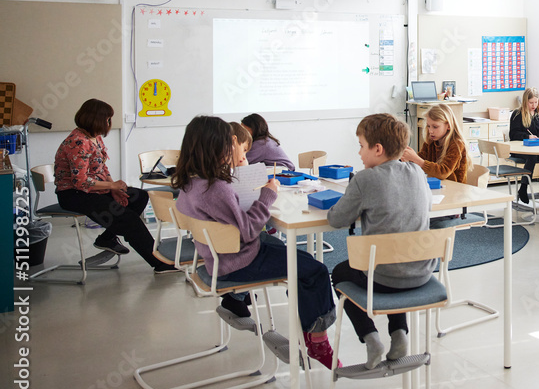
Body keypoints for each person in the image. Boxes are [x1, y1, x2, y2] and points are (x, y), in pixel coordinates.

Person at [174, 116, 338, 368]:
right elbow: (249, 230)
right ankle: (317, 340)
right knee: (315, 270)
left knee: (295, 258)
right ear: (216, 147)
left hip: (218, 256)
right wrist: (267, 196)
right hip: (238, 260)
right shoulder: (216, 188)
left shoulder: (191, 182)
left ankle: (242, 302)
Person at [328, 114, 435, 370]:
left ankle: (370, 336)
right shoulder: (418, 172)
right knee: (395, 257)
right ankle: (399, 333)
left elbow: (336, 219)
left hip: (383, 279)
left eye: (362, 146)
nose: (359, 152)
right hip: (421, 273)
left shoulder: (364, 179)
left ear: (377, 149)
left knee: (341, 272)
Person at [53, 99, 177, 273]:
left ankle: (106, 238)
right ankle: (159, 263)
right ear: (96, 119)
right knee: (129, 220)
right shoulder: (78, 142)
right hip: (74, 195)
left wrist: (115, 188)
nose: (109, 123)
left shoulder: (94, 138)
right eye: (108, 119)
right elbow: (80, 182)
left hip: (94, 188)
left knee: (137, 196)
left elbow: (101, 167)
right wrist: (111, 186)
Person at [401, 103, 468, 183]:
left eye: (435, 127)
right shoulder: (430, 142)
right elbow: (420, 159)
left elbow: (443, 172)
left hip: (455, 190)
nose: (430, 131)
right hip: (438, 188)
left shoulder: (457, 144)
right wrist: (407, 158)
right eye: (428, 126)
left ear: (449, 126)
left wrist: (416, 159)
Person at [508, 87, 539, 203]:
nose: (534, 105)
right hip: (521, 150)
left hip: (537, 148)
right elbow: (514, 134)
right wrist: (528, 137)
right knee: (532, 156)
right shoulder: (517, 114)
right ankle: (523, 187)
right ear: (525, 101)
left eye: (536, 102)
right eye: (531, 102)